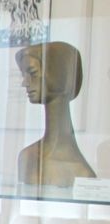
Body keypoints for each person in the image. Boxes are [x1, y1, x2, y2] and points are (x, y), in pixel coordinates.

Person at [15, 41, 96, 187]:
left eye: (33, 73)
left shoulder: (82, 173)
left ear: (58, 74)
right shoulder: (27, 157)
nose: (25, 83)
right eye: (24, 75)